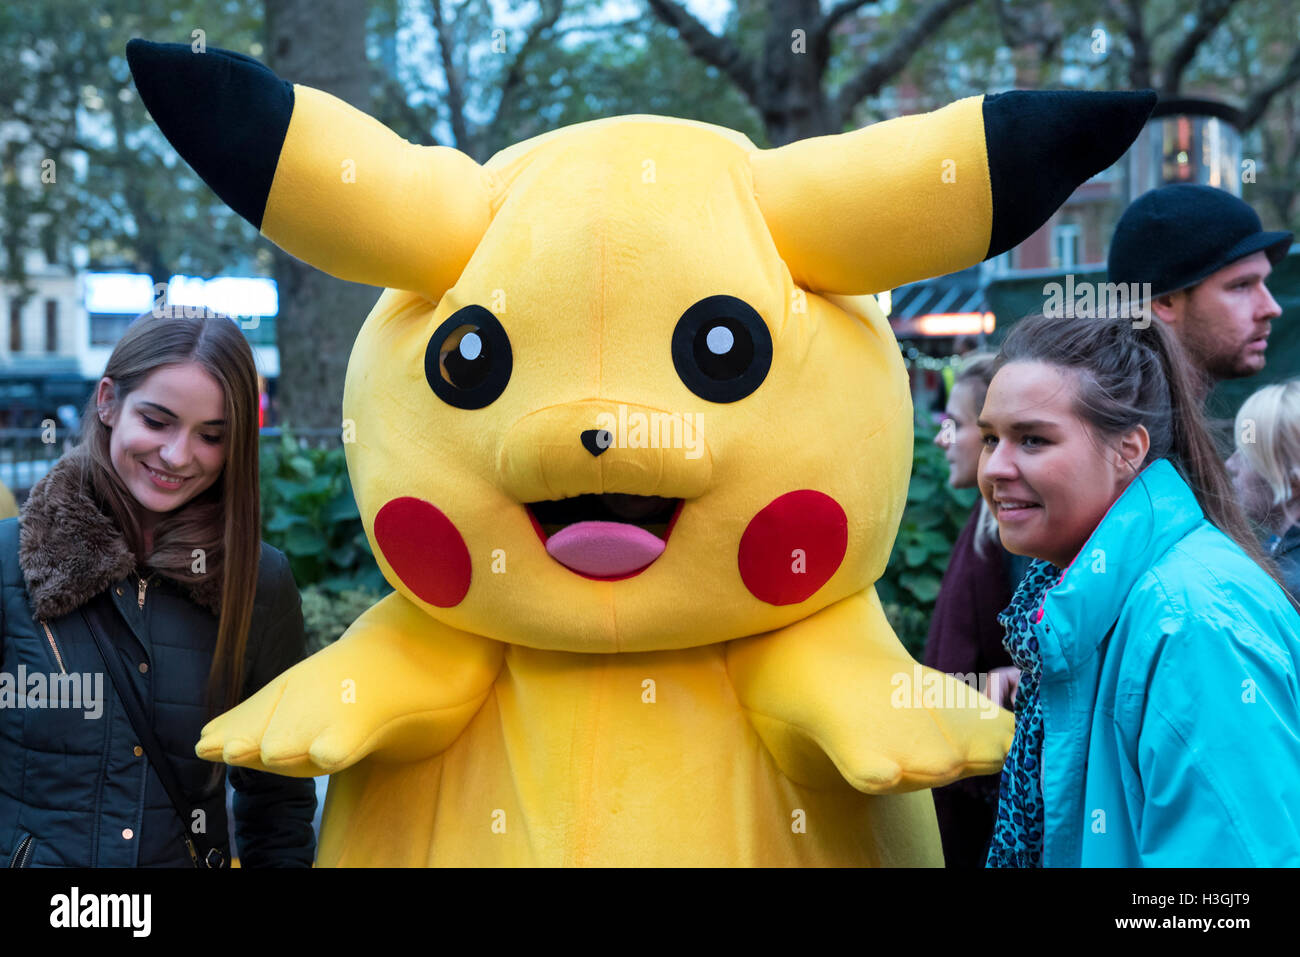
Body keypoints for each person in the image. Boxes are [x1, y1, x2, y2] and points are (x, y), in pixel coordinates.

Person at [977, 308, 1300, 867]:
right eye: (990, 438)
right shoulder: (1074, 598)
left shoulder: (1194, 622)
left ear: (1128, 450)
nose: (996, 467)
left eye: (1031, 439)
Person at [0, 311, 317, 867]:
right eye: (157, 420)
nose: (176, 455)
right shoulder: (9, 559)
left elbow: (277, 804)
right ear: (107, 402)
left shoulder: (260, 583)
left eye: (211, 436)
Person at [925, 352, 1026, 867]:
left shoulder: (1014, 540)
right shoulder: (985, 525)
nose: (943, 439)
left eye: (958, 426)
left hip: (996, 790)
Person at [1108, 183, 1292, 401]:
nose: (1272, 308)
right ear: (1166, 302)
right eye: (1241, 285)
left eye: (1265, 282)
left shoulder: (1148, 419)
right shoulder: (1113, 429)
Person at [1227, 379, 1300, 599]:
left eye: (1247, 456)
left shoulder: (1288, 590)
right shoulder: (1279, 550)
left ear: (1293, 481)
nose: (1230, 464)